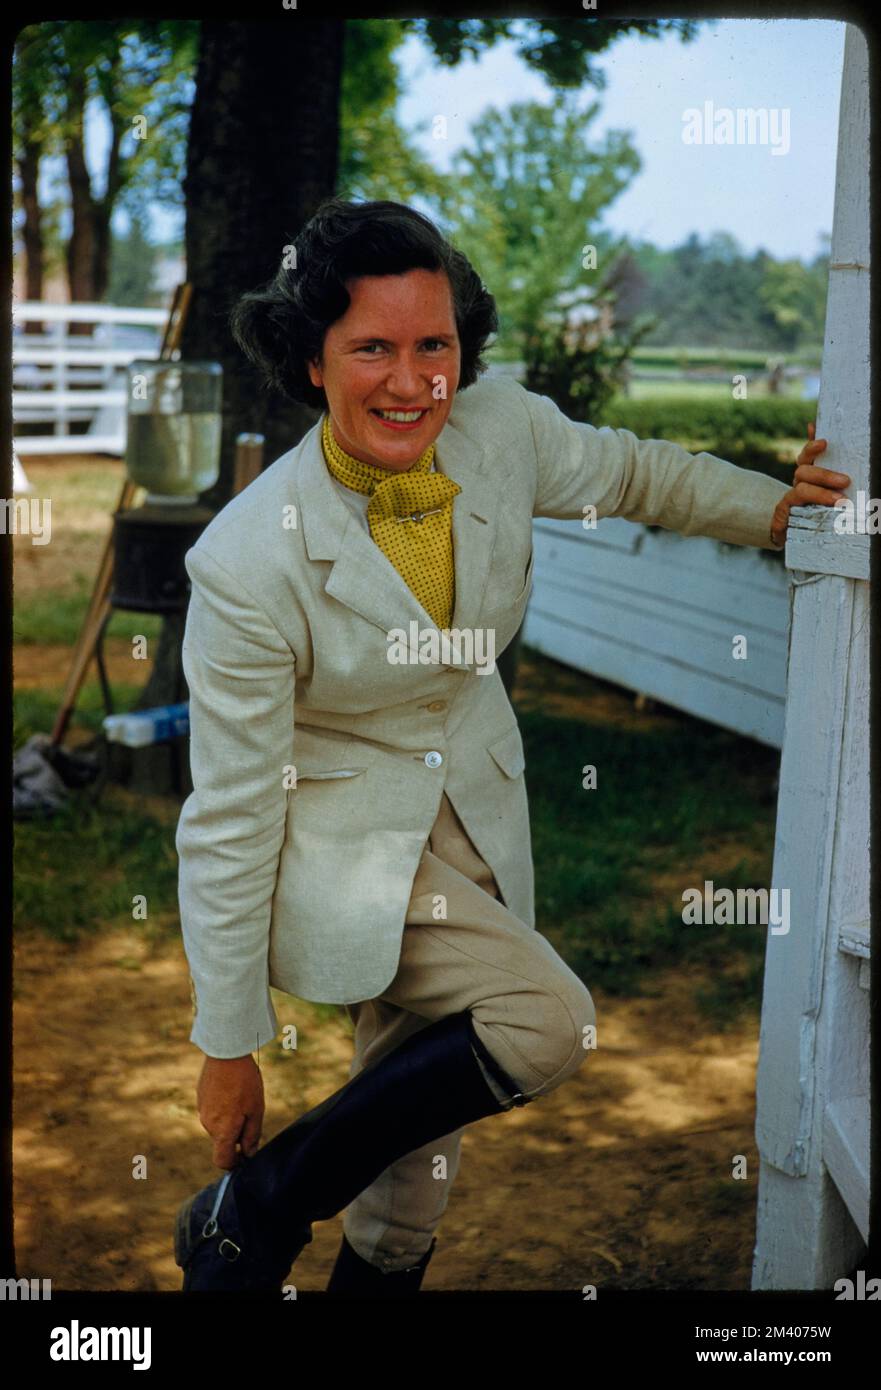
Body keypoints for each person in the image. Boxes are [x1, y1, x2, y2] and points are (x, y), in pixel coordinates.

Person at [172, 198, 849, 1296]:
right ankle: (256, 1204)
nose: (410, 382)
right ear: (310, 361)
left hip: (477, 804)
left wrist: (773, 511)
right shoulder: (245, 563)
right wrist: (227, 1038)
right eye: (371, 349)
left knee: (412, 1166)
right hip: (345, 846)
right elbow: (233, 807)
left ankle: (329, 1259)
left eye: (432, 344)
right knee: (544, 1022)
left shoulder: (501, 431)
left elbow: (635, 474)